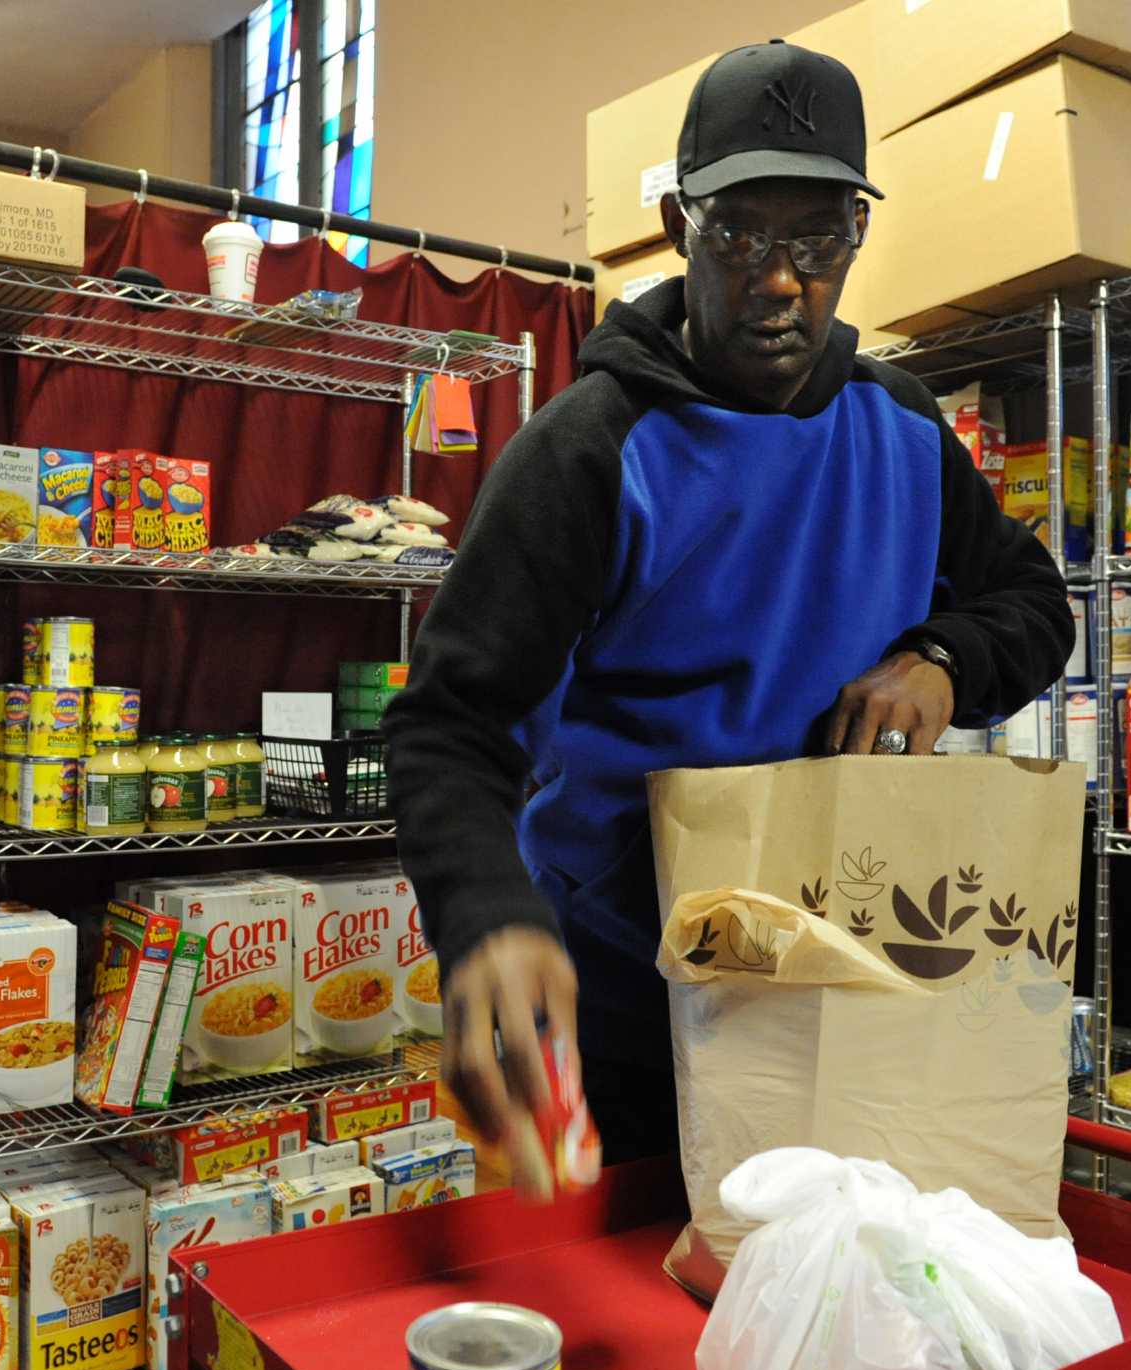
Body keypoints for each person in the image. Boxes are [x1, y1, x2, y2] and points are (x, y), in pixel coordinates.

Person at [383, 39, 1073, 1174]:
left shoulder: (902, 434)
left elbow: (1031, 601)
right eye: (739, 232)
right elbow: (450, 728)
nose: (778, 276)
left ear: (854, 233)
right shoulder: (592, 449)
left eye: (814, 235)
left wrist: (942, 659)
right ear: (677, 229)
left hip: (840, 989)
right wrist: (487, 918)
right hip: (621, 999)